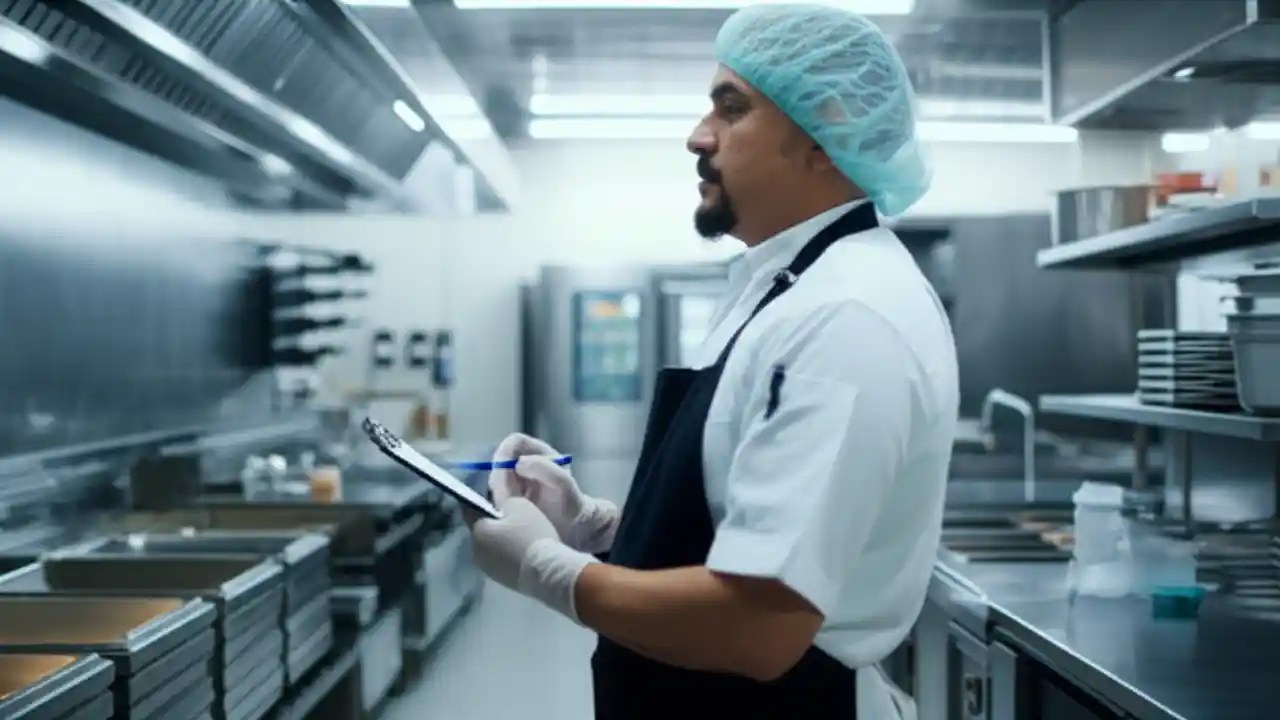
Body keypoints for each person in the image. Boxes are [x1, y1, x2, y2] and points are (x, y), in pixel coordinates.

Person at [465, 4, 958, 719]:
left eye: (732, 109)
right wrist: (601, 530)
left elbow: (759, 625)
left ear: (823, 134)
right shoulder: (790, 289)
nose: (699, 136)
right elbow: (747, 522)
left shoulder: (845, 315)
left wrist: (547, 569)